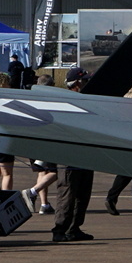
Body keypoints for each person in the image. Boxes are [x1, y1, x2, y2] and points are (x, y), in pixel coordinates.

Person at [50, 67, 96, 242]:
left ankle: (74, 227)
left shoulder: (87, 100)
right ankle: (59, 229)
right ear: (77, 83)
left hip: (86, 153)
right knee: (67, 192)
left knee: (83, 193)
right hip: (69, 154)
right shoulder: (65, 102)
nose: (87, 83)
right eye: (84, 80)